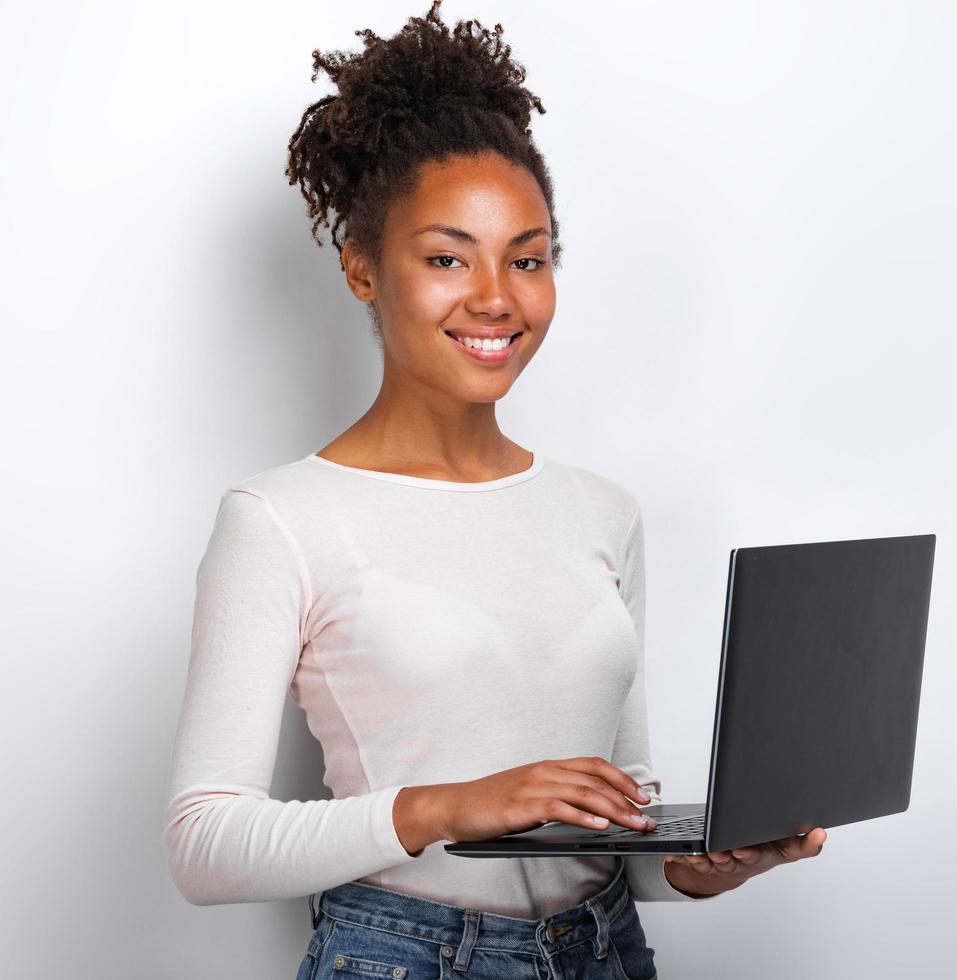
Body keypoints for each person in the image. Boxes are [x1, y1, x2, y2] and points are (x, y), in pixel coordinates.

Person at [162, 4, 826, 978]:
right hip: (408, 956)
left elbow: (620, 820)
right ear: (359, 267)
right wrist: (450, 803)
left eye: (526, 256)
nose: (496, 296)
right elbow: (200, 840)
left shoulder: (602, 511)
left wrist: (699, 863)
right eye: (444, 257)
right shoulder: (280, 519)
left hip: (606, 947)